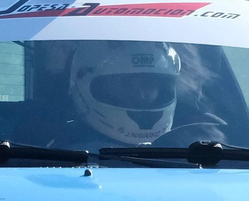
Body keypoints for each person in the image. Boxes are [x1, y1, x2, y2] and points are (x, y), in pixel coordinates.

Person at [53, 41, 182, 148]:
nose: (142, 94)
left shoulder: (185, 148)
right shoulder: (60, 156)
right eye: (128, 85)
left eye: (149, 83)